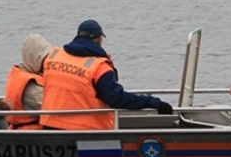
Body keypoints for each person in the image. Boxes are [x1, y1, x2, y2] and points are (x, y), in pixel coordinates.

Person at [39, 19, 173, 130]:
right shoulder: (99, 67)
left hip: (49, 128)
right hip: (84, 132)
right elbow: (116, 98)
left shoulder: (54, 56)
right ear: (98, 40)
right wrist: (153, 103)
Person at [4, 33, 53, 130]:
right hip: (35, 138)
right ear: (35, 59)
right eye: (44, 59)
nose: (47, 63)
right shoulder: (31, 87)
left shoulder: (22, 74)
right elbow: (52, 113)